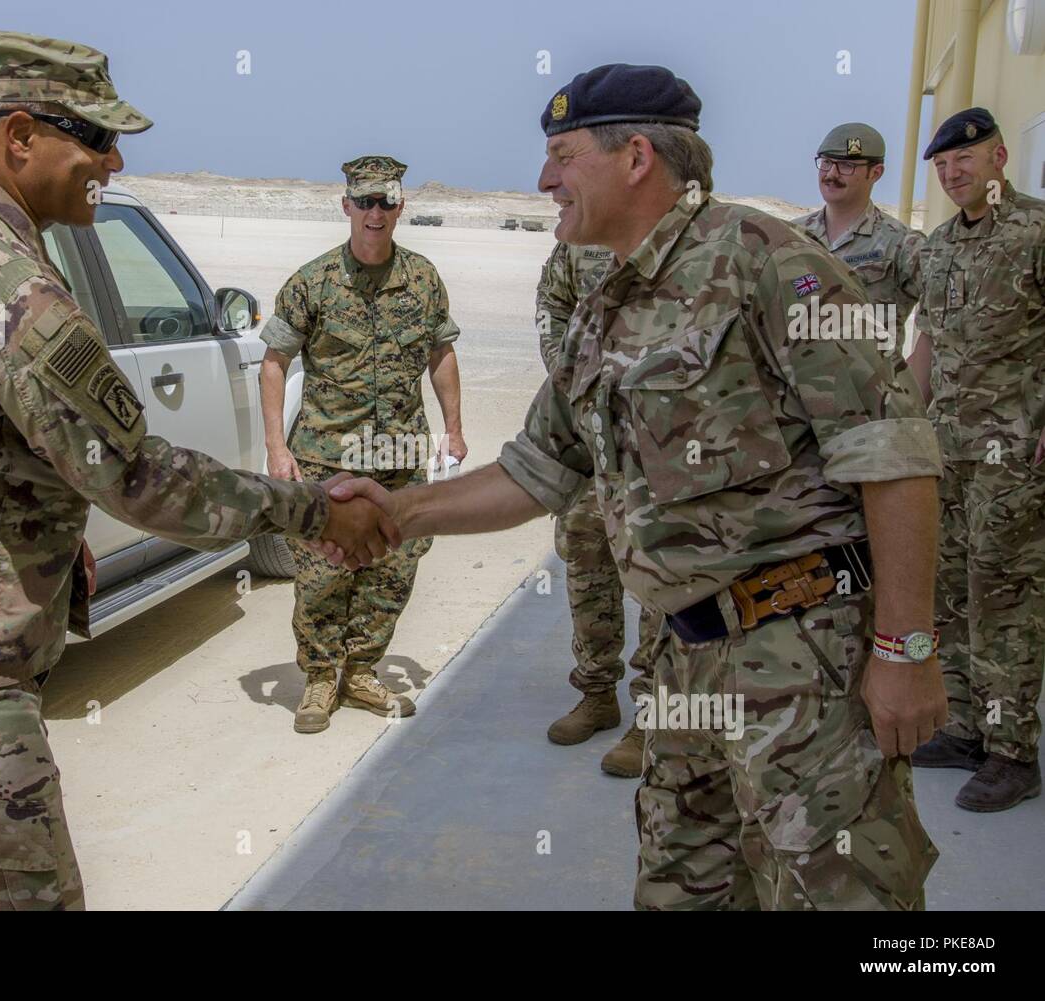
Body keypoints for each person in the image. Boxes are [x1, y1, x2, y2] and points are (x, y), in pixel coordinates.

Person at [324, 63, 946, 910]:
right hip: (681, 664)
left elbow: (895, 457)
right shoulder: (605, 308)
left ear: (637, 156)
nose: (544, 180)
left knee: (841, 897)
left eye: (562, 155)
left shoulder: (773, 265)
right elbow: (534, 469)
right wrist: (397, 510)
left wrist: (904, 651)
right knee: (681, 890)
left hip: (804, 666)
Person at [0, 29, 396, 910]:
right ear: (18, 136)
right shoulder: (7, 285)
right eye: (93, 136)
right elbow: (142, 478)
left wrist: (41, 530)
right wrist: (316, 511)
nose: (113, 159)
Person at [260, 155, 466, 733]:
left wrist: (453, 427)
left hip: (400, 459)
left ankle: (362, 669)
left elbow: (441, 355)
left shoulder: (423, 279)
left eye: (387, 201)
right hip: (328, 458)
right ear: (346, 205)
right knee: (322, 572)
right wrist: (278, 447)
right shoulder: (313, 281)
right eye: (365, 201)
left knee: (393, 566)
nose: (375, 212)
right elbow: (274, 363)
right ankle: (322, 676)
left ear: (401, 206)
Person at [907, 107, 1045, 811]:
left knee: (1003, 599)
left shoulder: (1035, 231)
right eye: (942, 165)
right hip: (947, 450)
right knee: (950, 594)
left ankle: (1014, 751)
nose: (954, 172)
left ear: (999, 159)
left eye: (967, 158)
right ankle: (965, 726)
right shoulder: (935, 248)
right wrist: (903, 418)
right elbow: (928, 342)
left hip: (1013, 454)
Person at [535, 241, 660, 777]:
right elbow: (551, 305)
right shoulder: (578, 245)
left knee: (661, 572)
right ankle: (596, 691)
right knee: (586, 550)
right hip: (593, 431)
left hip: (664, 438)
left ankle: (654, 714)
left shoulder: (693, 241)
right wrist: (573, 371)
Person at [791, 123, 923, 335]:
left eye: (846, 166)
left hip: (872, 368)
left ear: (876, 172)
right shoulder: (791, 236)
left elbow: (942, 311)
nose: (831, 174)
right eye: (826, 163)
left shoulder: (902, 244)